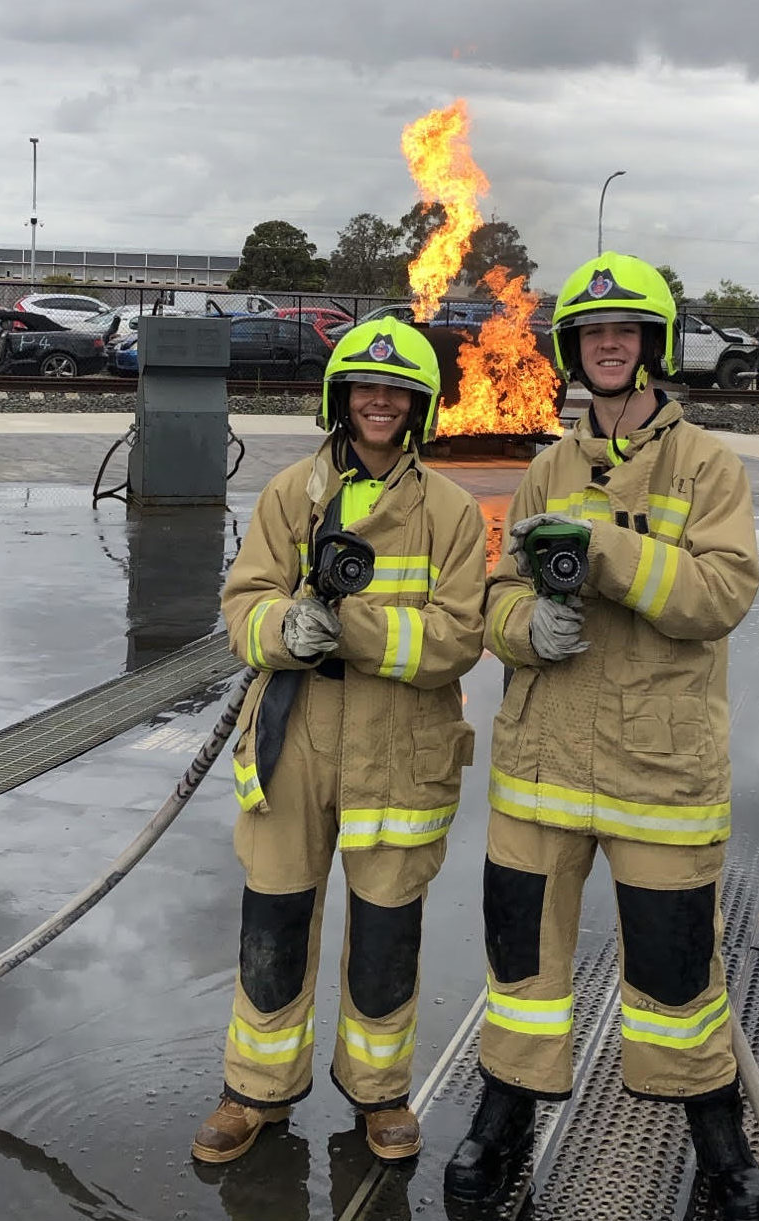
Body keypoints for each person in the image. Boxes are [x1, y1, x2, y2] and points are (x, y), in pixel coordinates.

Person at [441, 254, 759, 1221]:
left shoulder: (708, 465)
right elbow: (498, 594)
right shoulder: (548, 465)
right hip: (541, 769)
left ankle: (718, 1139)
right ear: (574, 352)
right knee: (520, 970)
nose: (611, 344)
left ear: (653, 346)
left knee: (679, 977)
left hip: (658, 772)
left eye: (627, 330)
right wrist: (521, 628)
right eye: (594, 334)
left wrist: (611, 556)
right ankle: (501, 1120)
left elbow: (722, 596)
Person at [191, 317, 486, 1165]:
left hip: (404, 745)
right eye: (366, 387)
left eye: (396, 391)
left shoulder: (452, 513)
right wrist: (288, 625)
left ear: (419, 406)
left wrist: (347, 628)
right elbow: (241, 607)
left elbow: (457, 637)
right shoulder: (290, 494)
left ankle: (379, 1094)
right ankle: (254, 1090)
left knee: (388, 928)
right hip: (296, 738)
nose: (380, 401)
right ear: (341, 398)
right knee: (274, 917)